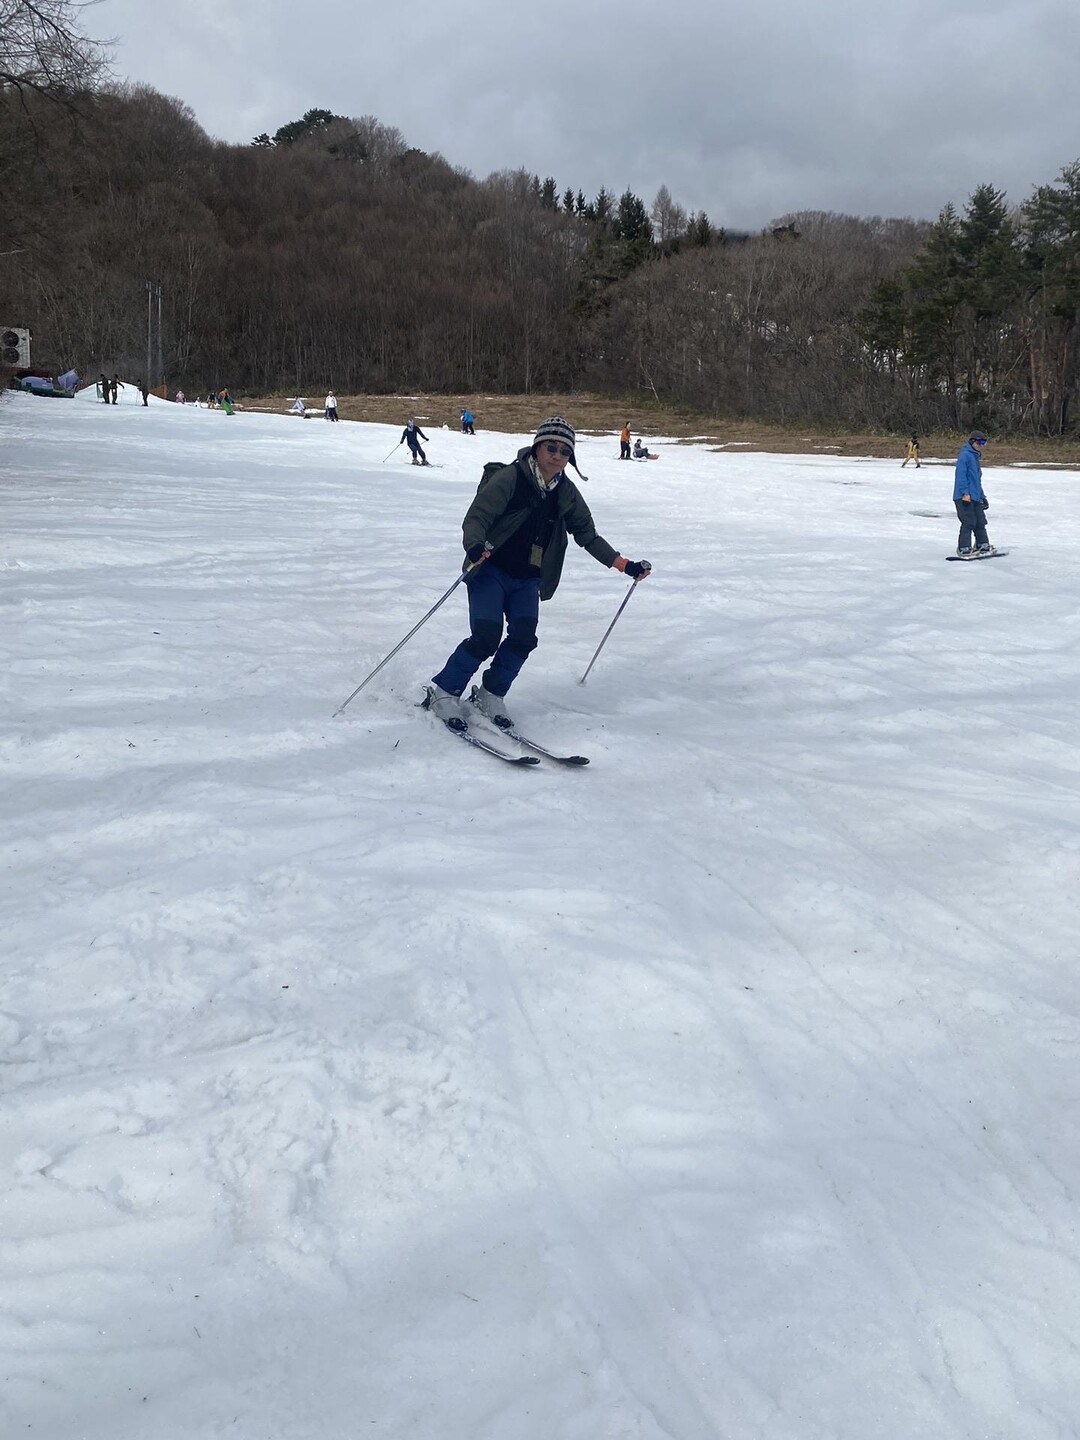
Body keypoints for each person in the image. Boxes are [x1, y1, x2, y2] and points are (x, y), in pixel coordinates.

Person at [425, 416, 652, 730]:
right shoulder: (511, 477)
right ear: (537, 448)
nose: (557, 455)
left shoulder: (565, 492)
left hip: (528, 578)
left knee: (523, 638)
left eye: (565, 451)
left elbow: (587, 535)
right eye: (551, 447)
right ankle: (445, 692)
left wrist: (624, 565)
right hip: (490, 569)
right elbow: (478, 516)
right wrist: (475, 545)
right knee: (486, 636)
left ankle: (491, 693)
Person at [953, 431, 995, 557]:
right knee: (969, 522)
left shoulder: (975, 456)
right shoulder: (965, 455)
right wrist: (965, 493)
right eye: (979, 442)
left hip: (975, 496)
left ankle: (982, 544)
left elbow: (976, 481)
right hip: (963, 497)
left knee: (980, 521)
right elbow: (961, 477)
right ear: (972, 441)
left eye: (984, 443)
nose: (981, 445)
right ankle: (964, 547)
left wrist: (982, 497)